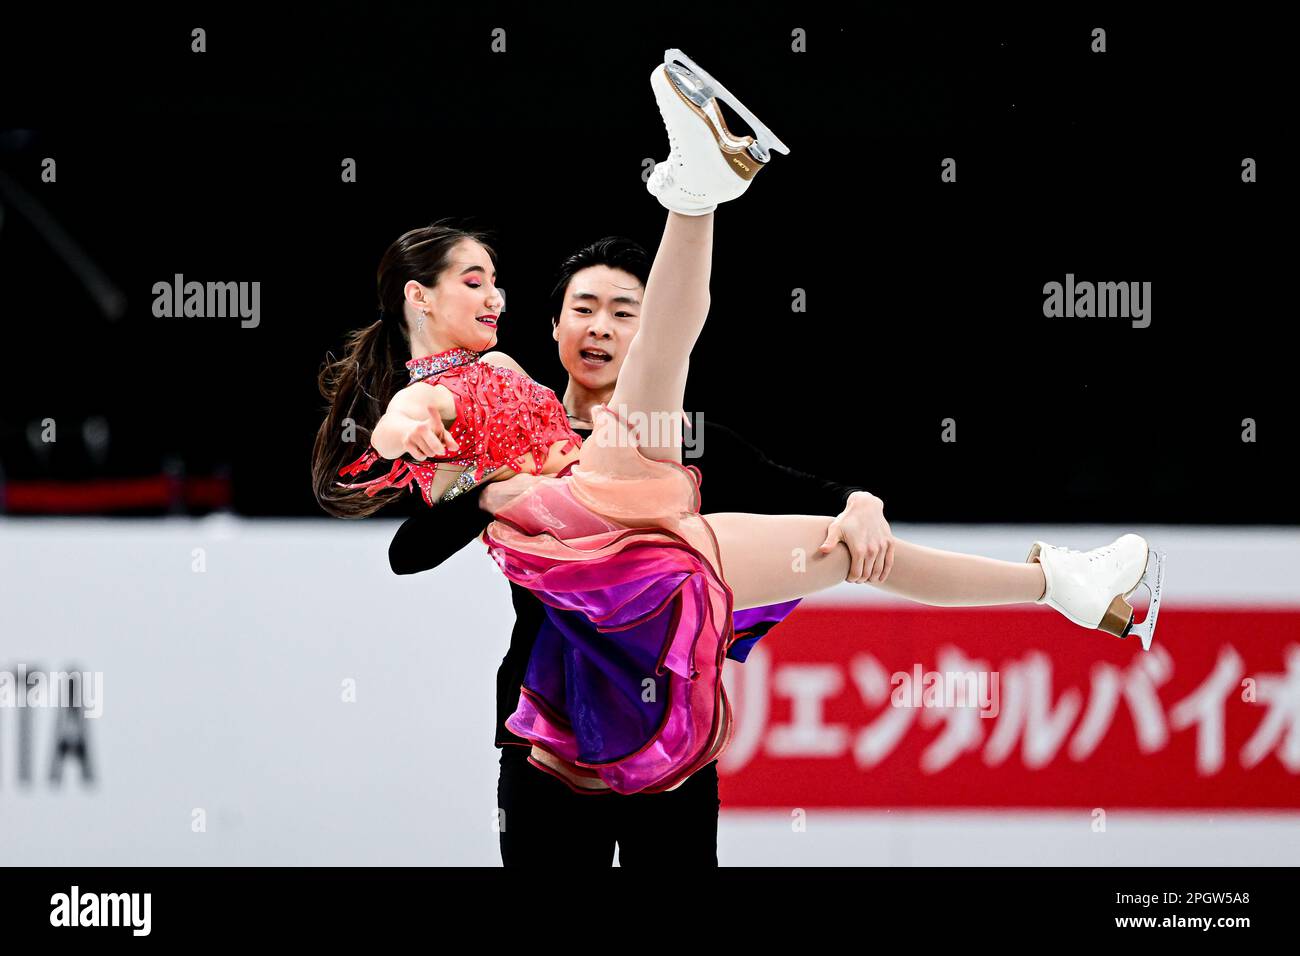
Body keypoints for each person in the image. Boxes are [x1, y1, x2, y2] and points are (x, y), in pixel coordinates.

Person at [312, 48, 1164, 811]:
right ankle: (694, 190)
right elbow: (403, 427)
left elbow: (761, 467)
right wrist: (406, 436)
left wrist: (859, 498)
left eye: (497, 281)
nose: (493, 296)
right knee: (657, 368)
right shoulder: (450, 385)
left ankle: (1062, 587)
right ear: (418, 299)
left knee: (848, 549)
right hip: (584, 543)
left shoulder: (506, 375)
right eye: (473, 281)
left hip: (638, 551)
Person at [387, 234, 887, 866]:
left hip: (669, 737)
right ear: (555, 325)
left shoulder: (683, 442)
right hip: (541, 738)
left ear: (651, 335)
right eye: (584, 308)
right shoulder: (510, 438)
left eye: (624, 313)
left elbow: (814, 495)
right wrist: (490, 490)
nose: (601, 328)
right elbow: (409, 552)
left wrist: (862, 503)